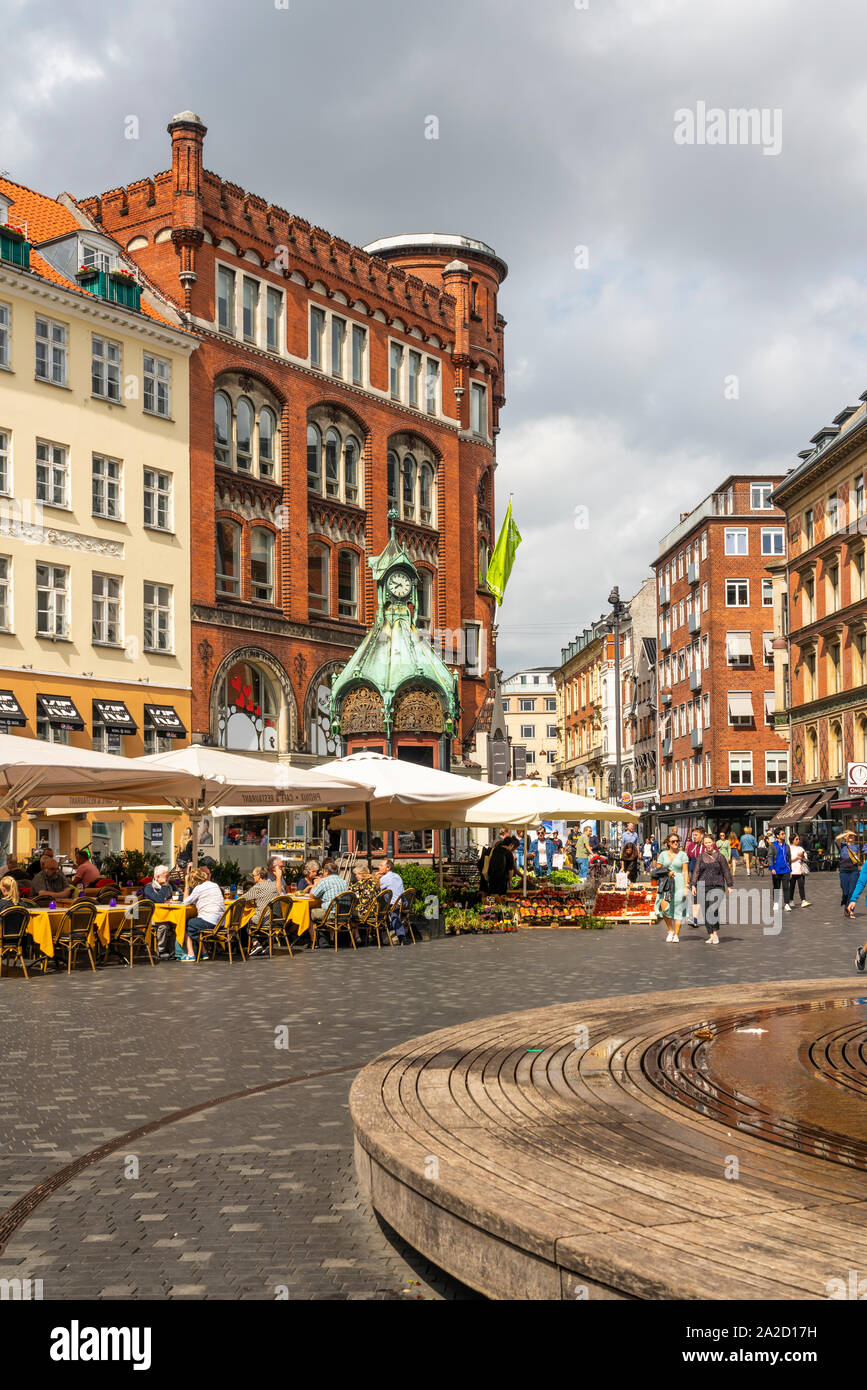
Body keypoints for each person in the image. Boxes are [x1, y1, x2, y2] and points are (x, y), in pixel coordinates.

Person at [691, 834, 733, 945]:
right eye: (706, 843)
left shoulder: (720, 856)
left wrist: (729, 885)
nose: (708, 844)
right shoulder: (700, 857)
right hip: (703, 886)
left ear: (713, 842)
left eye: (710, 842)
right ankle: (710, 935)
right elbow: (696, 871)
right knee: (705, 911)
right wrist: (693, 885)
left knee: (713, 909)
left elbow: (726, 871)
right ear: (703, 844)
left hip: (717, 886)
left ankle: (715, 934)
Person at [180, 868, 225, 960]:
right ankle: (204, 952)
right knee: (196, 924)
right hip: (221, 922)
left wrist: (186, 886)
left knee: (185, 923)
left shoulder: (198, 888)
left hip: (209, 921)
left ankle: (191, 954)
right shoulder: (214, 885)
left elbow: (185, 901)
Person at [236, 865, 280, 956]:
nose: (253, 878)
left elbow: (243, 899)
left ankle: (256, 943)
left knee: (247, 921)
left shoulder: (258, 887)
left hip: (264, 919)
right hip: (276, 919)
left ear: (259, 876)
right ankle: (265, 943)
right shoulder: (273, 885)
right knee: (255, 918)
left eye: (254, 875)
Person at [654, 832, 690, 943]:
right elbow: (657, 870)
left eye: (677, 841)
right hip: (666, 884)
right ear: (668, 843)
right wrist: (666, 873)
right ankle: (670, 930)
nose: (675, 843)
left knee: (678, 908)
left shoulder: (683, 854)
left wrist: (686, 885)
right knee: (664, 906)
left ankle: (676, 934)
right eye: (673, 841)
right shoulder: (663, 855)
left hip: (679, 882)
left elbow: (685, 871)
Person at [306, 858, 349, 944]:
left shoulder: (325, 881)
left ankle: (313, 940)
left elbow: (312, 895)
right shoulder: (344, 881)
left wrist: (315, 884)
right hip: (344, 913)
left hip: (331, 914)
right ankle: (332, 938)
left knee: (308, 913)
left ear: (326, 872)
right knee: (329, 906)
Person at [378, 859, 406, 941]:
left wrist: (376, 877)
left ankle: (387, 933)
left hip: (394, 905)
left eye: (381, 865)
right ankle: (390, 931)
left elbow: (375, 889)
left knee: (379, 911)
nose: (379, 867)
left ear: (388, 868)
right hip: (403, 903)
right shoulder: (397, 876)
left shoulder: (385, 878)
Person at [836, 831, 863, 912]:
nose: (851, 837)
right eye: (849, 836)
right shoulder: (842, 845)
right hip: (844, 871)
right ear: (845, 837)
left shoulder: (857, 846)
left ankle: (850, 909)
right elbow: (837, 838)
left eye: (852, 836)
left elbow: (857, 859)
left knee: (851, 891)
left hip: (854, 871)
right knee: (845, 892)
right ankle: (846, 903)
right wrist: (846, 834)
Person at [769, 828, 791, 909]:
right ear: (777, 836)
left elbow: (789, 858)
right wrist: (772, 868)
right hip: (776, 870)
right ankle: (776, 903)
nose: (784, 835)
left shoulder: (787, 846)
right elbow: (770, 857)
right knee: (776, 887)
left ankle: (787, 904)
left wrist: (790, 869)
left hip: (786, 870)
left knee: (786, 887)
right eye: (782, 834)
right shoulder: (773, 846)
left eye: (784, 834)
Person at [787, 833, 810, 908]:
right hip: (792, 870)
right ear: (792, 840)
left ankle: (803, 900)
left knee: (801, 886)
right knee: (792, 886)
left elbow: (806, 858)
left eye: (798, 839)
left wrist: (802, 855)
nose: (798, 840)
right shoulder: (788, 848)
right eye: (796, 839)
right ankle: (791, 900)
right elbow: (787, 860)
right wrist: (797, 857)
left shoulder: (800, 848)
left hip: (800, 870)